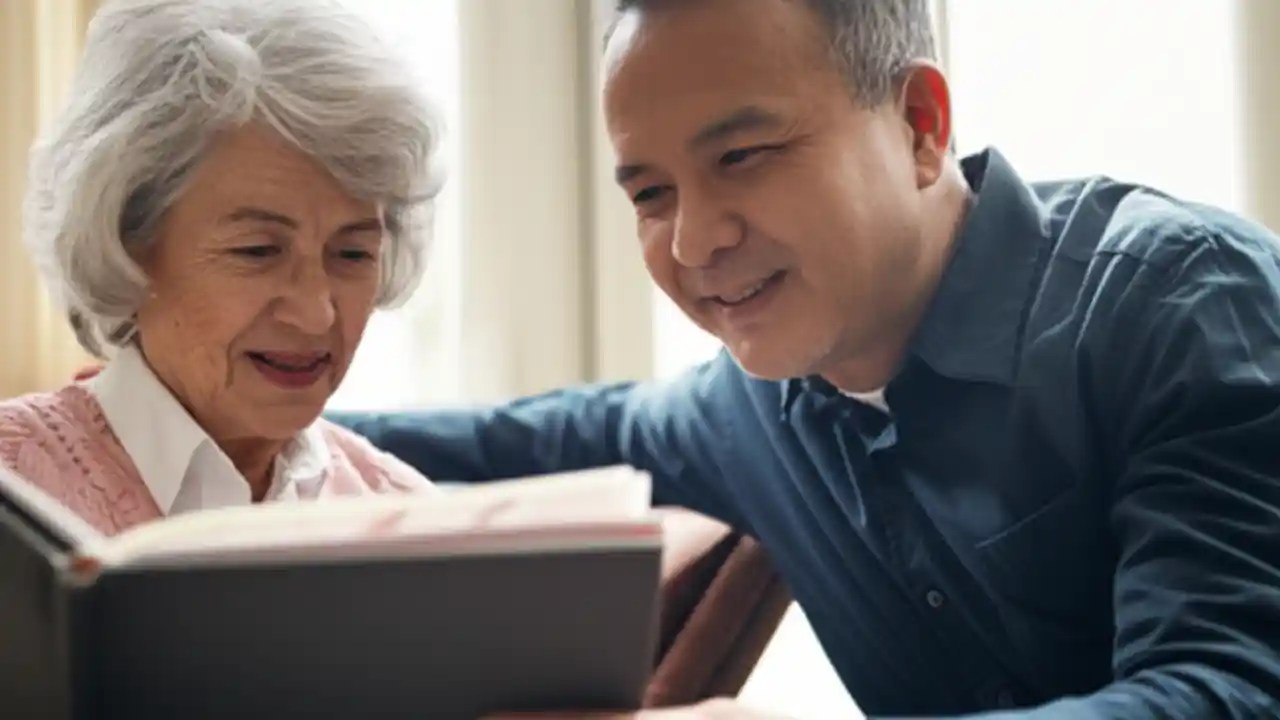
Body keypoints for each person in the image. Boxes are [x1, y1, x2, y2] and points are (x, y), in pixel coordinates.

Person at [333, 0, 1280, 717]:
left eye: (744, 156)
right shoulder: (749, 409)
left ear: (920, 123)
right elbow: (509, 444)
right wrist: (235, 399)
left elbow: (1227, 689)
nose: (695, 240)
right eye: (652, 193)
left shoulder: (1182, 305)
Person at [0, 0, 443, 535]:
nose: (316, 313)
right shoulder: (16, 496)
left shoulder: (411, 522)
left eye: (352, 254)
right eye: (257, 251)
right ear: (128, 244)